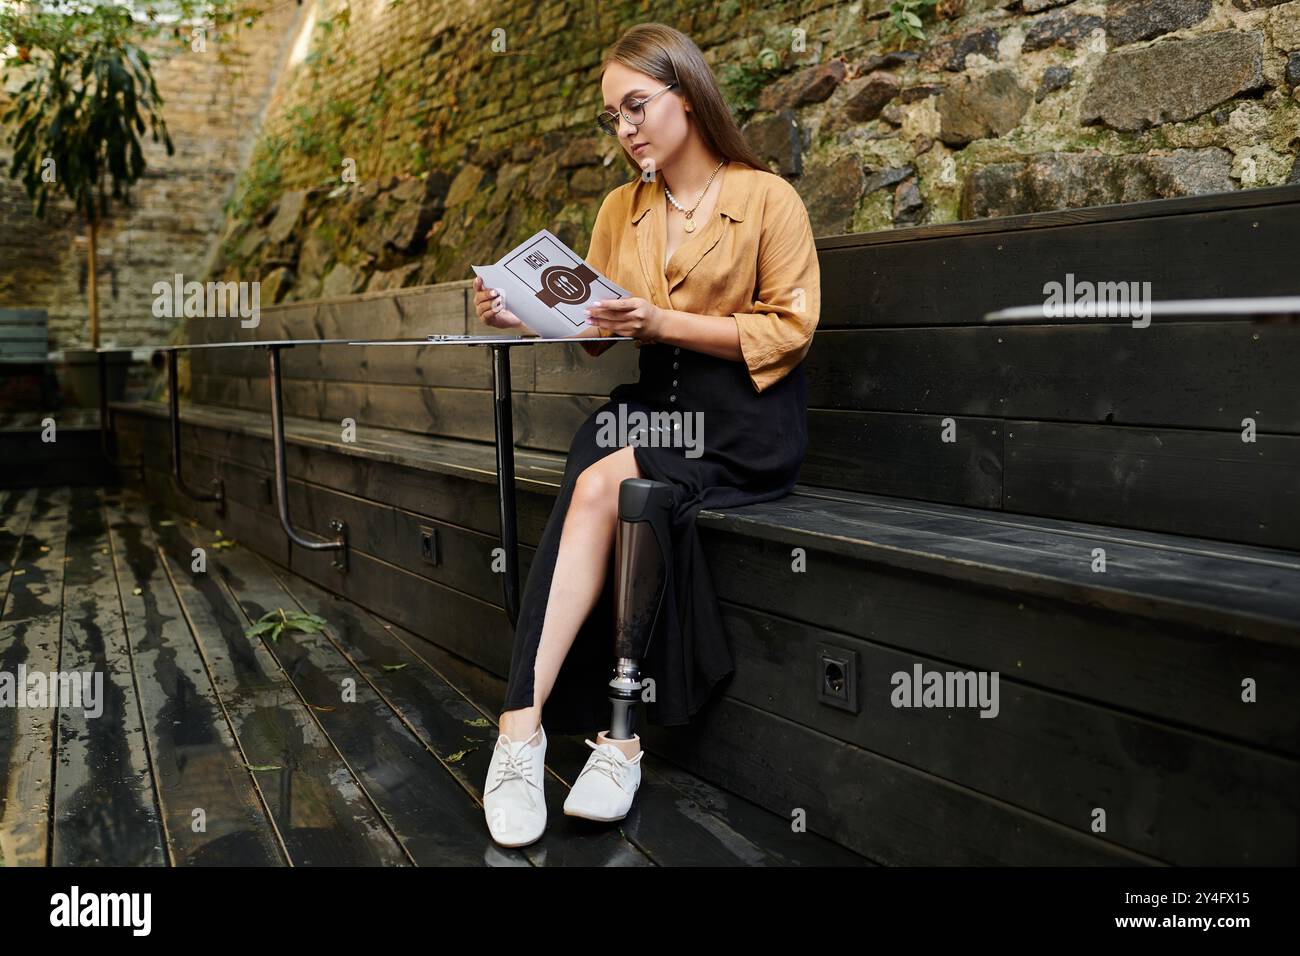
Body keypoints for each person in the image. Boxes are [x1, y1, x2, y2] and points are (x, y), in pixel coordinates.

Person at [473, 22, 821, 848]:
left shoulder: (767, 196)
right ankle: (556, 738)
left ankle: (546, 730)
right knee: (605, 462)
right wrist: (519, 314)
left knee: (603, 476)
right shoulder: (619, 208)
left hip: (745, 416)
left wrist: (665, 319)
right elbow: (593, 333)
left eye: (636, 106)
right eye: (612, 116)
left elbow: (792, 328)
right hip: (657, 407)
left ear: (687, 95)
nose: (624, 127)